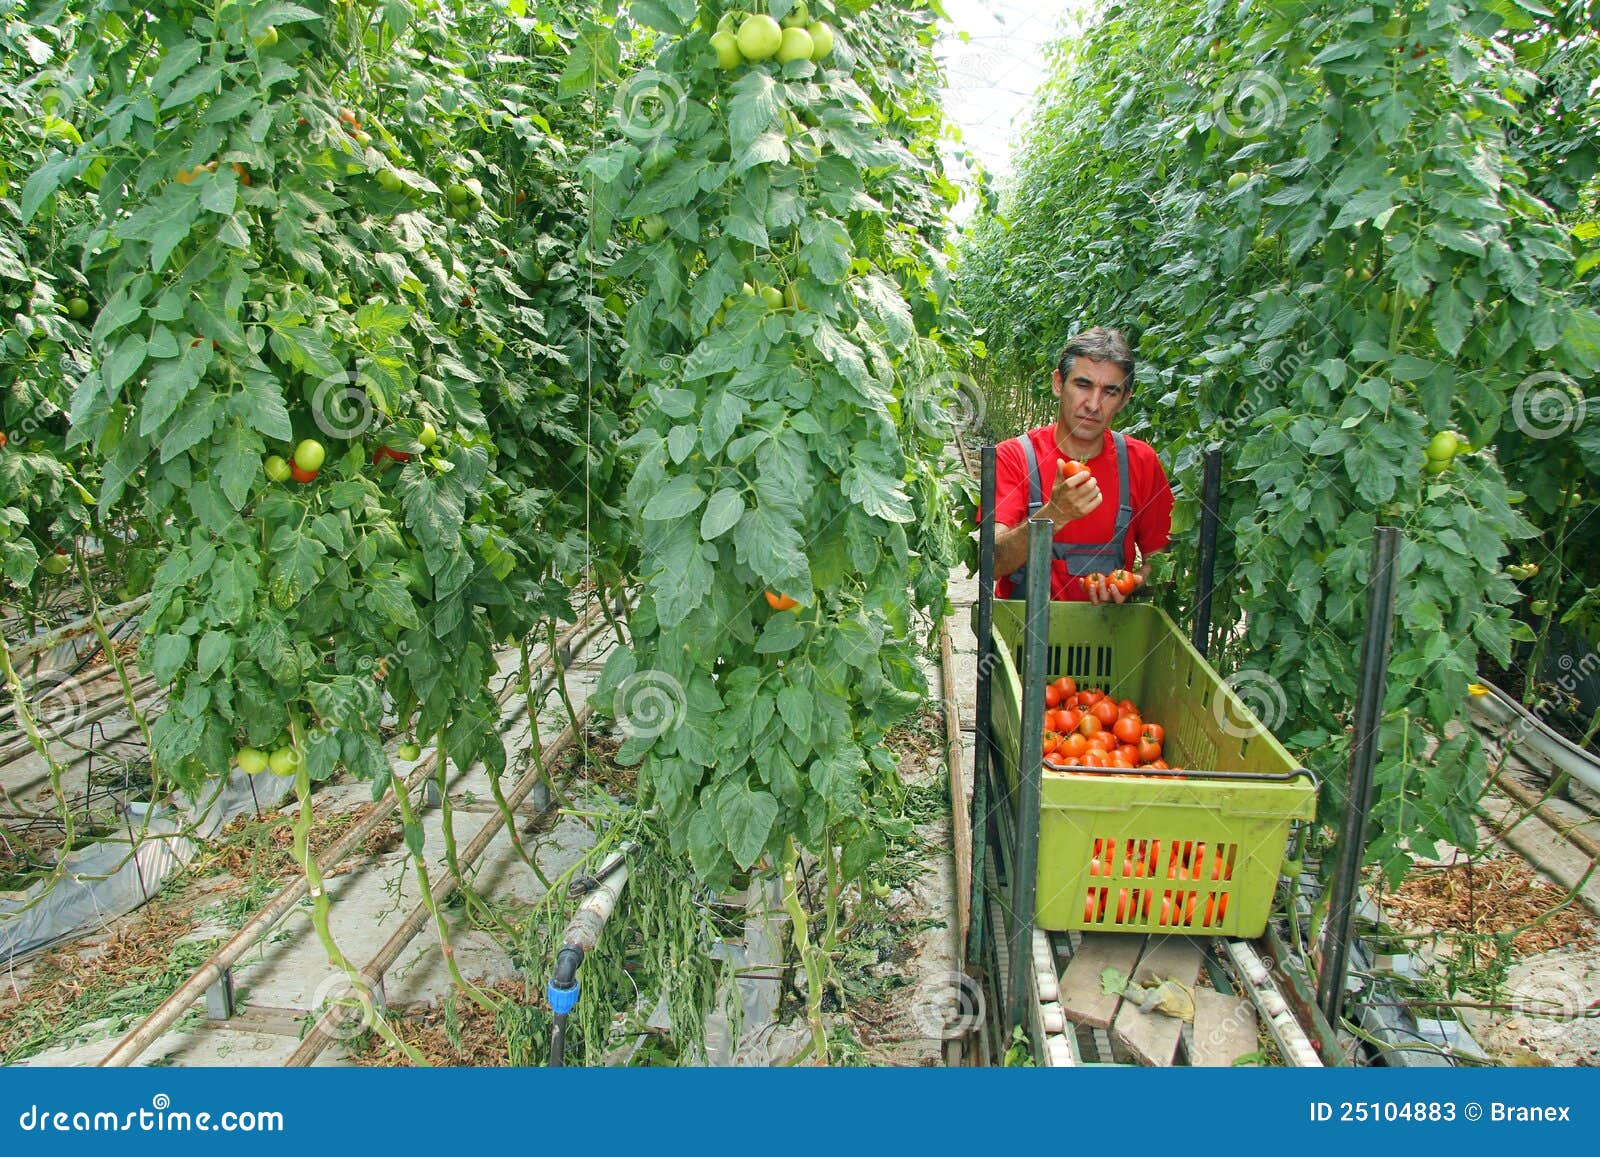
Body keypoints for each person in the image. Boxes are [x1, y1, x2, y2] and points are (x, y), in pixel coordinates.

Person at [988, 327, 1173, 604]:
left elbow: (1162, 563)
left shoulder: (1141, 461)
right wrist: (1055, 514)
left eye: (1110, 391)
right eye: (1083, 385)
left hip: (1108, 634)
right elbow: (991, 562)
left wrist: (1133, 582)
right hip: (1020, 635)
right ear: (1058, 384)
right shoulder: (1014, 456)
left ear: (1124, 399)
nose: (1094, 404)